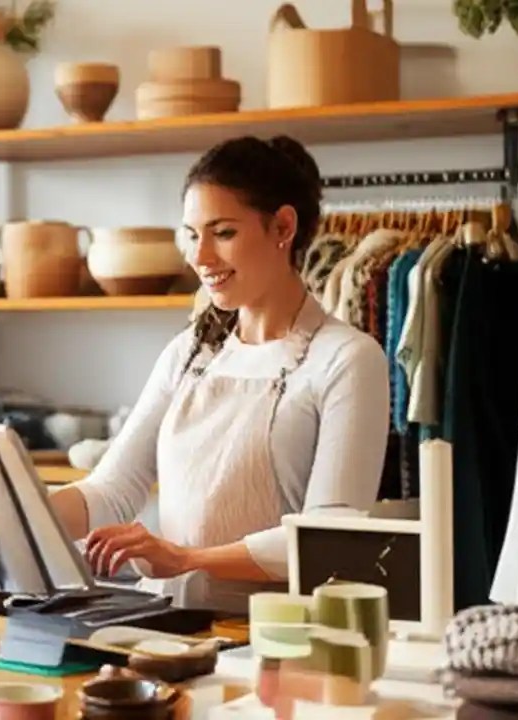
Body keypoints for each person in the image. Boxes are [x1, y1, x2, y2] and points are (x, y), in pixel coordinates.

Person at [48, 135, 391, 614]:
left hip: (275, 640)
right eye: (191, 234)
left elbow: (328, 537)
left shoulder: (348, 359)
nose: (199, 256)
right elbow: (112, 490)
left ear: (282, 227)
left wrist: (188, 558)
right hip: (170, 630)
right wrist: (17, 515)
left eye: (222, 232)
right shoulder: (191, 352)